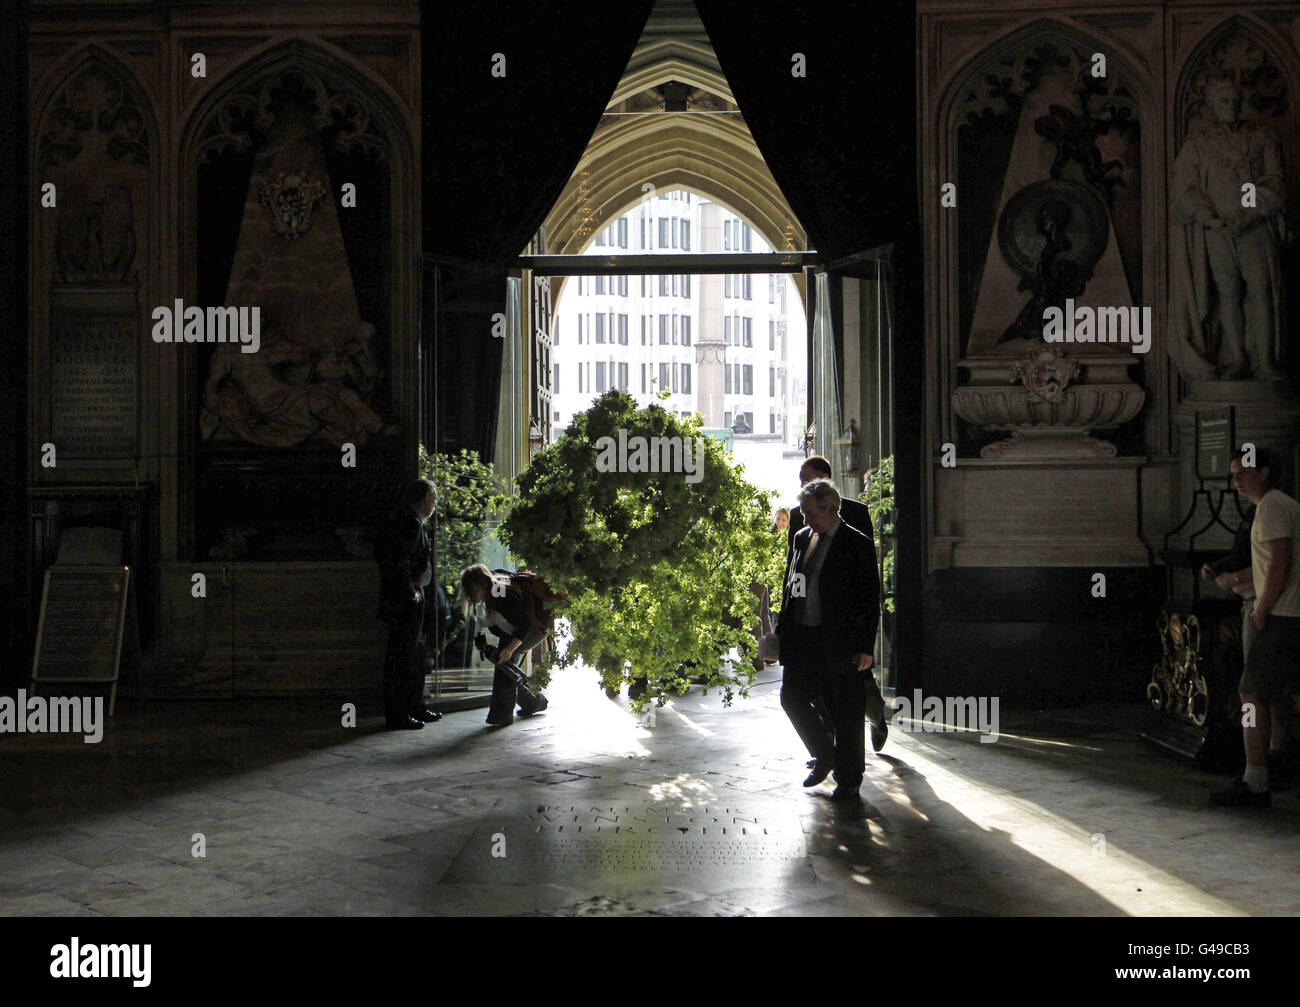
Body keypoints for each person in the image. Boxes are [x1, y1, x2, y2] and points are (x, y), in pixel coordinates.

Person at [1169, 77, 1287, 380]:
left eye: (1235, 101)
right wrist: (1209, 218)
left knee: (1261, 290)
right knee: (1228, 291)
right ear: (1211, 105)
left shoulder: (1262, 139)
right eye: (1224, 101)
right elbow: (1185, 189)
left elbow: (1274, 182)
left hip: (1254, 226)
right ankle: (1238, 359)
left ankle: (1265, 361)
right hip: (1217, 230)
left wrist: (1248, 214)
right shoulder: (1198, 145)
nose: (1231, 106)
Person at [776, 478, 885, 801]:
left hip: (840, 640)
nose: (805, 518)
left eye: (811, 513)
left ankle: (849, 778)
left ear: (832, 508)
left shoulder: (856, 544)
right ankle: (825, 753)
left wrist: (865, 646)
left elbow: (869, 598)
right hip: (803, 637)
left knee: (845, 711)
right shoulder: (801, 538)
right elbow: (791, 585)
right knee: (792, 697)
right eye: (804, 513)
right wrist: (783, 628)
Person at [1212, 447, 1300, 805]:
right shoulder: (1281, 505)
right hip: (1287, 613)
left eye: (1243, 471)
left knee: (1251, 694)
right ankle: (1275, 765)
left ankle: (1255, 781)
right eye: (1233, 472)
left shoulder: (1272, 506)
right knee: (1277, 694)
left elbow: (1280, 563)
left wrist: (1261, 610)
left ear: (1264, 472)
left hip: (1280, 615)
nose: (1236, 479)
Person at [374, 478, 443, 730]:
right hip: (406, 601)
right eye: (433, 498)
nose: (435, 503)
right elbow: (397, 560)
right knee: (402, 656)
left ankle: (413, 707)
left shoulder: (412, 521)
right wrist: (410, 590)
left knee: (412, 654)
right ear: (424, 498)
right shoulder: (409, 522)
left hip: (410, 597)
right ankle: (399, 714)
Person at [458, 564, 558, 726]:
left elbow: (525, 623)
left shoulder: (499, 593)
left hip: (533, 628)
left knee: (504, 666)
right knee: (506, 667)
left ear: (479, 585)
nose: (469, 595)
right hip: (522, 628)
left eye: (470, 590)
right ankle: (533, 703)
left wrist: (510, 649)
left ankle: (503, 714)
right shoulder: (494, 590)